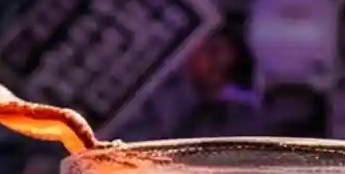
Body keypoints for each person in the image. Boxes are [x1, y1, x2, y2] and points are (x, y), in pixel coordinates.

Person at [113, 30, 268, 141]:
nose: (203, 58)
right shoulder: (163, 35)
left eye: (214, 67)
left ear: (216, 86)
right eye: (211, 49)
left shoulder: (173, 107)